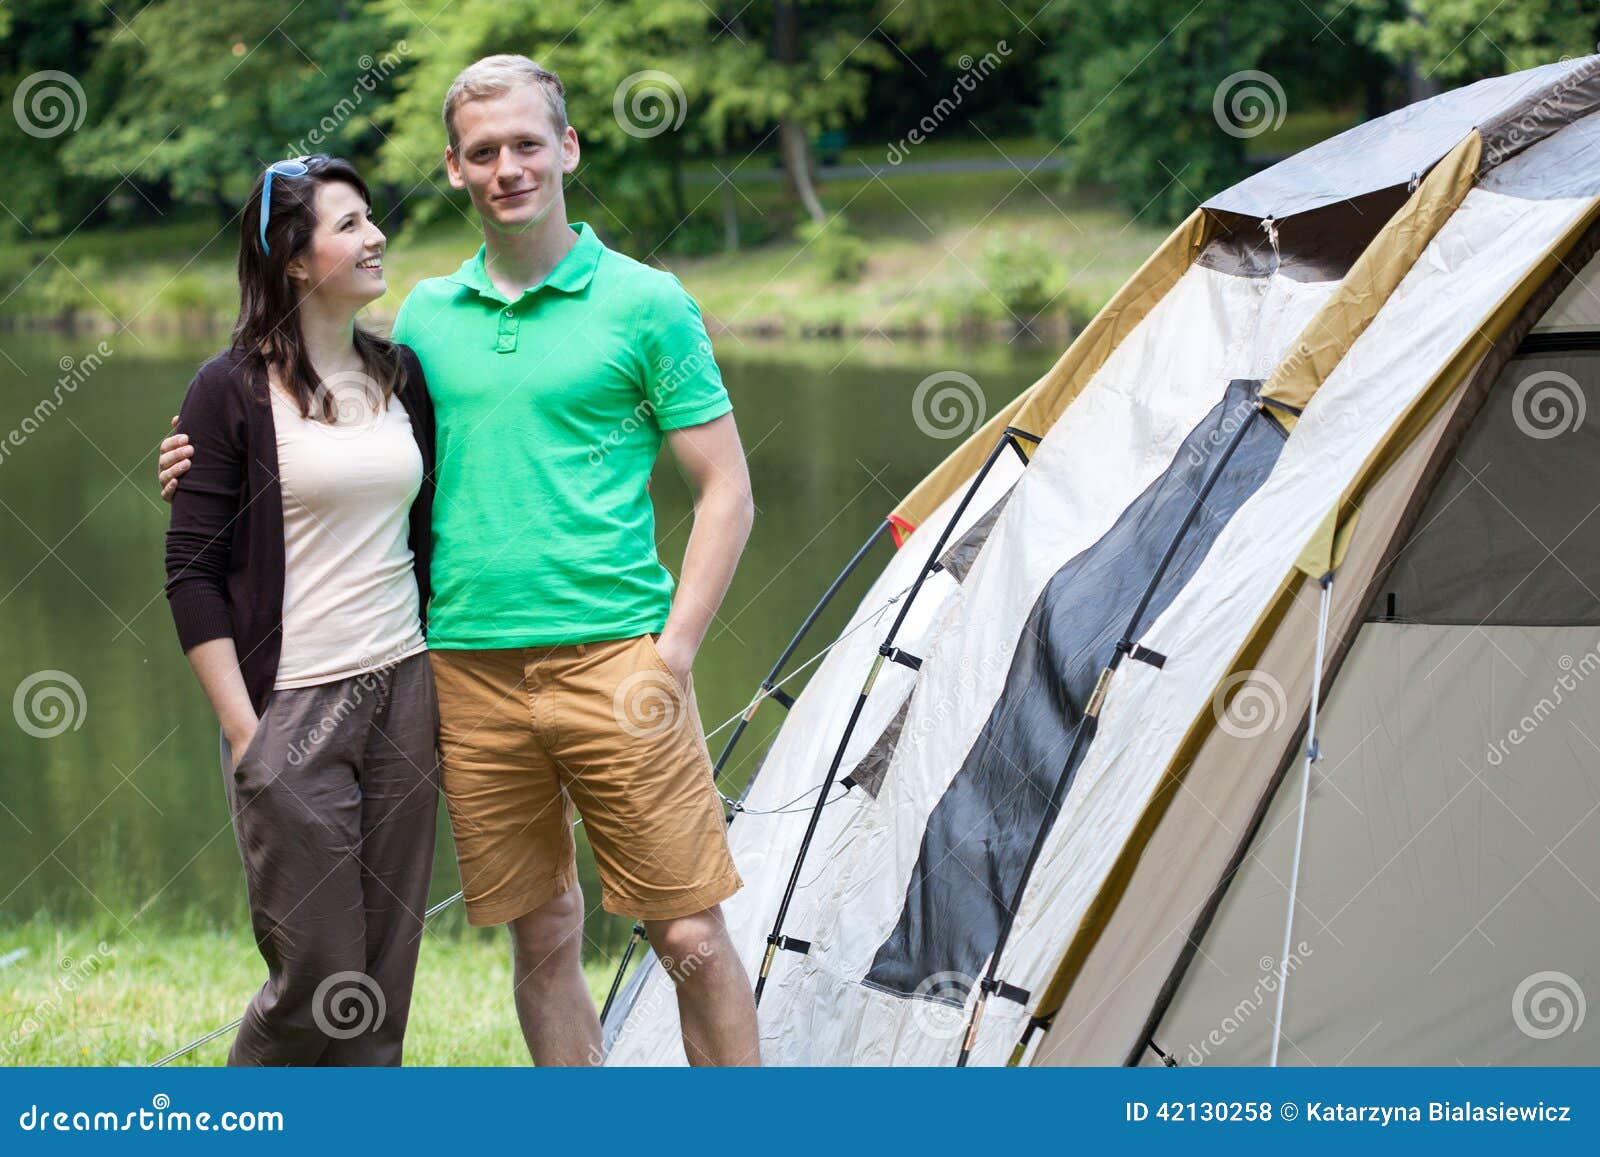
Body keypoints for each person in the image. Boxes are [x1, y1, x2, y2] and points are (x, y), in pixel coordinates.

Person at [160, 56, 760, 1066]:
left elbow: (727, 491)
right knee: (544, 933)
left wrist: (676, 651)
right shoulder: (426, 323)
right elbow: (315, 408)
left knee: (692, 938)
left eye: (528, 144)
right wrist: (199, 450)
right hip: (464, 673)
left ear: (565, 147)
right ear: (453, 168)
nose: (508, 168)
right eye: (484, 152)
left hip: (619, 658)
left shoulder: (648, 303)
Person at [162, 154, 439, 1065]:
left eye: (372, 218)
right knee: (316, 978)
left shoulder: (403, 377)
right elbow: (191, 572)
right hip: (292, 706)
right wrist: (249, 737)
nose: (375, 236)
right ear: (293, 258)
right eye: (349, 224)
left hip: (404, 692)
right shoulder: (227, 389)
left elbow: (427, 534)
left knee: (381, 982)